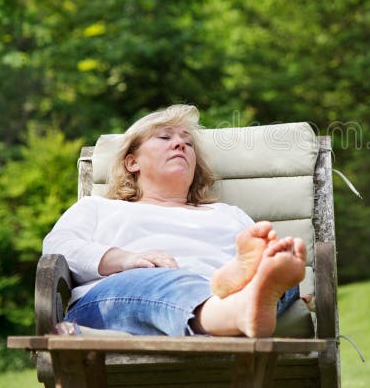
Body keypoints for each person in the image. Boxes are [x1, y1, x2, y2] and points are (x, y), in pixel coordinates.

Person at [42, 104, 307, 337]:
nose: (180, 144)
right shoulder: (99, 208)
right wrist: (126, 259)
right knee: (159, 281)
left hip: (213, 286)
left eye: (188, 143)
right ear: (132, 162)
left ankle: (239, 296)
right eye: (165, 137)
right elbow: (57, 247)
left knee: (276, 266)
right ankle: (239, 306)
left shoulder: (228, 214)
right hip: (125, 293)